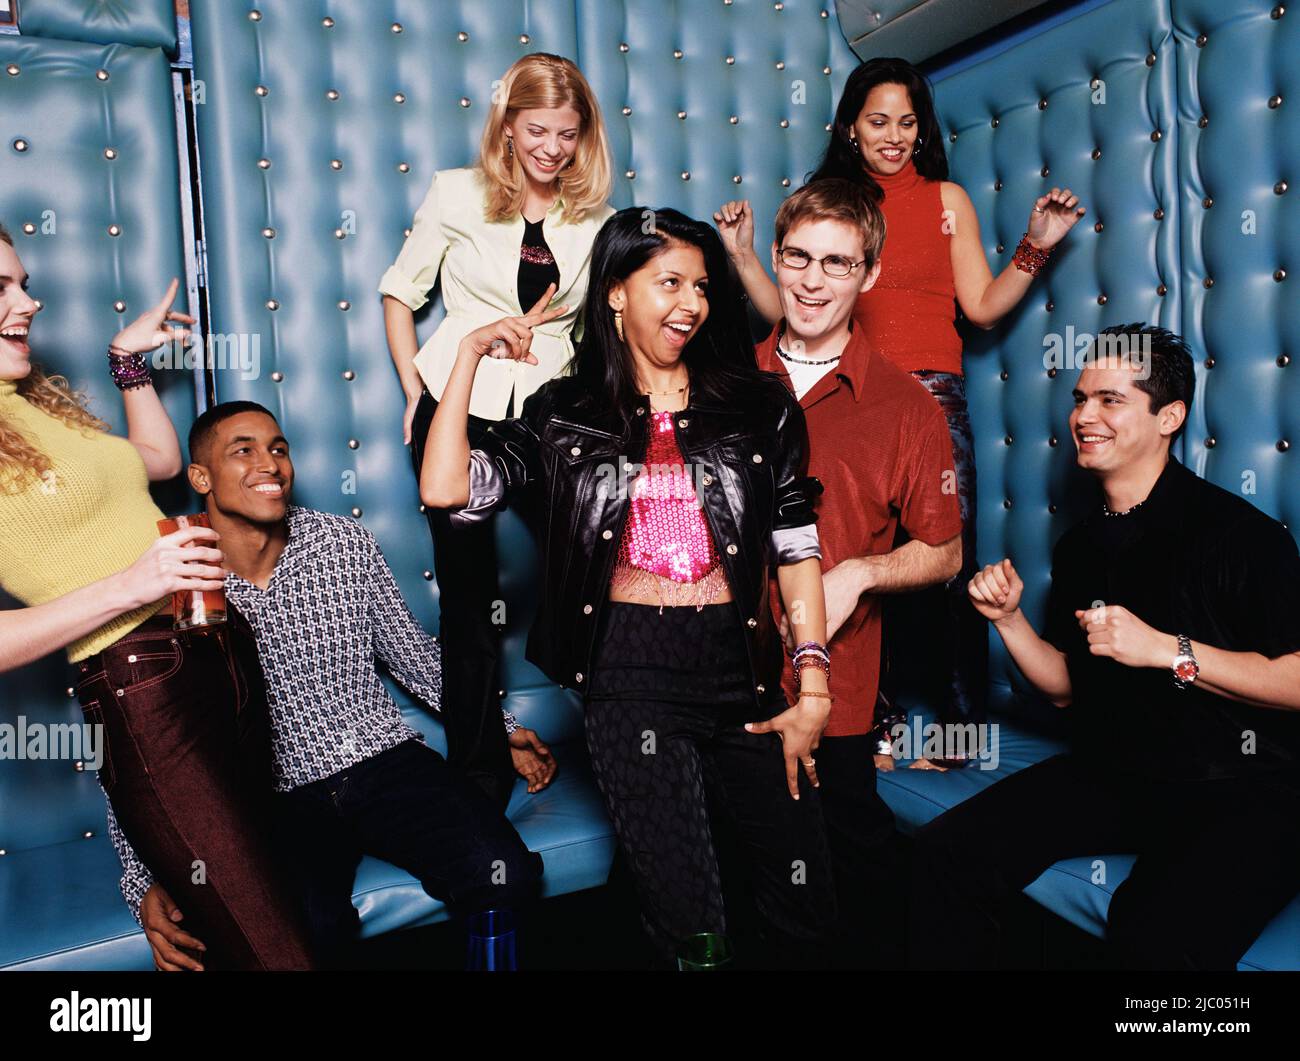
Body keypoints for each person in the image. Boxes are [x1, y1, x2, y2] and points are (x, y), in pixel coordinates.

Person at [420, 208, 838, 967]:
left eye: (702, 287)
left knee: (803, 895)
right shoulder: (564, 414)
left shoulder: (756, 404)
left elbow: (794, 544)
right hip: (630, 672)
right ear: (616, 291)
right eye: (669, 282)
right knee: (691, 920)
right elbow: (448, 490)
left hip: (740, 667)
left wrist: (812, 685)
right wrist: (469, 357)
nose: (692, 304)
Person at [716, 56, 1085, 747]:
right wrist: (741, 258)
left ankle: (958, 725)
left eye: (907, 123)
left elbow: (979, 308)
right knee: (833, 553)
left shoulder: (946, 202)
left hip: (930, 389)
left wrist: (1035, 248)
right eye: (878, 120)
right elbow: (784, 316)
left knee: (947, 554)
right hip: (836, 388)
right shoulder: (828, 202)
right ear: (851, 127)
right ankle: (869, 725)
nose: (893, 136)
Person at [910, 324, 1300, 970]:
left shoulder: (1243, 536)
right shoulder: (1081, 547)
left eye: (1110, 400)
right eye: (1081, 397)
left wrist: (1168, 650)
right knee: (944, 856)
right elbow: (1068, 688)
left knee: (1154, 936)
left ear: (1169, 416)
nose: (1084, 416)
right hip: (1121, 770)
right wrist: (1007, 621)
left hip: (1246, 786)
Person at [108, 402, 549, 971]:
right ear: (200, 477)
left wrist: (500, 728)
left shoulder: (343, 543)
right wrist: (143, 875)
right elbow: (141, 743)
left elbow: (413, 655)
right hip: (273, 795)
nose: (269, 464)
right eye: (242, 450)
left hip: (382, 762)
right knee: (303, 929)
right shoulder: (172, 577)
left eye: (279, 448)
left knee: (505, 874)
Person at [0, 223, 314, 970]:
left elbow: (157, 460)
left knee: (266, 908)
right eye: (2, 291)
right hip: (140, 678)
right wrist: (132, 584)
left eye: (21, 282)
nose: (30, 302)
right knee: (275, 951)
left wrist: (127, 365)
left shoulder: (30, 400)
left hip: (220, 648)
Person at [380, 53, 614, 808]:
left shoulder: (598, 222)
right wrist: (416, 386)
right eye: (537, 129)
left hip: (553, 416)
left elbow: (603, 333)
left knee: (599, 576)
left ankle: (627, 747)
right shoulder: (456, 194)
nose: (551, 147)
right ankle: (478, 779)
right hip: (462, 406)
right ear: (508, 125)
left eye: (567, 134)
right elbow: (398, 293)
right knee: (470, 602)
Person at [753, 180, 963, 963]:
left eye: (837, 263)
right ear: (775, 259)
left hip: (834, 698)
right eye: (799, 257)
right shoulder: (724, 385)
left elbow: (945, 551)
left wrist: (861, 574)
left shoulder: (908, 406)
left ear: (868, 276)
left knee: (849, 901)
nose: (812, 280)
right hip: (723, 685)